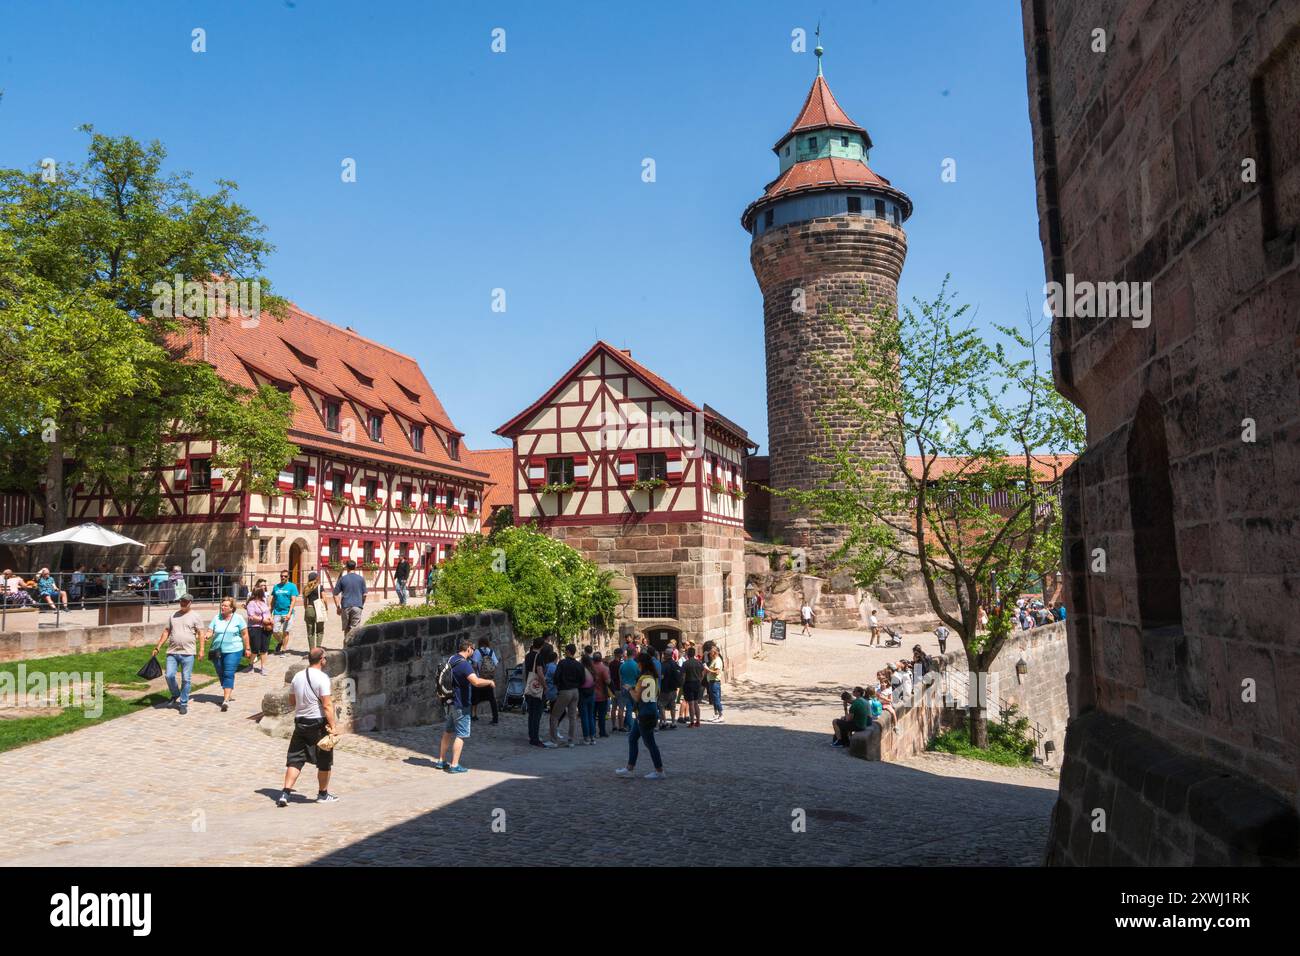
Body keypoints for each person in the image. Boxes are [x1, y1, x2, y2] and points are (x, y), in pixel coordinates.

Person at [277, 647, 341, 805]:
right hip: (318, 722)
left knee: (295, 758)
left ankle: (285, 793)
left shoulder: (298, 676)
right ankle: (323, 794)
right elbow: (327, 705)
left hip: (301, 722)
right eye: (325, 657)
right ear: (321, 660)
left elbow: (292, 701)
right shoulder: (323, 678)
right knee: (324, 759)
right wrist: (333, 727)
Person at [434, 637, 497, 773]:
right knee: (461, 734)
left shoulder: (452, 659)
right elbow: (476, 682)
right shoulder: (464, 665)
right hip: (461, 703)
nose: (473, 652)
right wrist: (489, 682)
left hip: (449, 701)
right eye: (472, 649)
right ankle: (454, 765)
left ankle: (441, 760)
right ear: (468, 648)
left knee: (448, 731)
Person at [151, 594, 206, 715]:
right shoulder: (173, 615)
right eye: (181, 601)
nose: (182, 603)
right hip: (172, 652)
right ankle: (175, 694)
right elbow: (166, 631)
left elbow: (201, 633)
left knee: (186, 679)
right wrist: (158, 646)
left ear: (190, 602)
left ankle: (183, 703)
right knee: (169, 675)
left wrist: (201, 649)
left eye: (185, 602)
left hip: (188, 653)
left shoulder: (195, 616)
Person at [616, 652, 665, 779]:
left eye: (638, 663)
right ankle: (629, 768)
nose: (637, 665)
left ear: (641, 664)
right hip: (649, 712)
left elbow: (637, 697)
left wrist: (629, 689)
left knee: (650, 743)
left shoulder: (643, 678)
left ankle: (659, 770)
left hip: (645, 714)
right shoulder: (653, 677)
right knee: (633, 738)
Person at [208, 597, 250, 713]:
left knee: (228, 672)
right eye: (222, 605)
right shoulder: (216, 618)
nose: (223, 607)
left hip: (234, 649)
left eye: (225, 606)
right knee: (220, 672)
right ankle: (228, 691)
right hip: (217, 650)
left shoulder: (238, 619)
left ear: (232, 608)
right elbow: (210, 630)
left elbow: (245, 634)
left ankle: (225, 700)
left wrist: (247, 648)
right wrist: (207, 635)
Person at [549, 643, 583, 748]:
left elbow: (556, 677)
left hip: (565, 691)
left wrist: (558, 685)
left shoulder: (562, 663)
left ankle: (554, 740)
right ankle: (571, 740)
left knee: (554, 716)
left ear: (568, 651)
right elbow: (582, 679)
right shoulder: (578, 665)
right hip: (575, 691)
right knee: (572, 717)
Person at [469, 636, 500, 724]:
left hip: (479, 678)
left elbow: (474, 665)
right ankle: (495, 718)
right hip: (489, 679)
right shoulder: (491, 651)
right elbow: (496, 664)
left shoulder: (477, 652)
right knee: (492, 699)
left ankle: (474, 715)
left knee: (475, 696)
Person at [333, 560, 367, 638]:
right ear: (355, 567)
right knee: (355, 629)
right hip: (357, 605)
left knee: (346, 629)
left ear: (347, 568)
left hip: (345, 606)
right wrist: (361, 604)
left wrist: (338, 607)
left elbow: (335, 594)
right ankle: (353, 647)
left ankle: (346, 646)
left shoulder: (342, 579)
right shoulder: (361, 579)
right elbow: (365, 595)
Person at [244, 584, 273, 675]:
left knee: (264, 648)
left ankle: (263, 667)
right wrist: (262, 620)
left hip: (266, 627)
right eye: (262, 591)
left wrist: (270, 620)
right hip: (255, 628)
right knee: (255, 648)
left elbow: (268, 613)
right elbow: (251, 617)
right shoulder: (251, 603)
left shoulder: (263, 602)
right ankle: (250, 664)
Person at [270, 569, 300, 655]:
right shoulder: (276, 586)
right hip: (277, 612)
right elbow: (273, 599)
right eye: (282, 576)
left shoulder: (292, 586)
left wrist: (289, 613)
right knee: (275, 631)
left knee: (286, 631)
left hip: (287, 612)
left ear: (288, 577)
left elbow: (293, 600)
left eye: (285, 576)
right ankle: (280, 642)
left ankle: (284, 649)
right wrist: (270, 612)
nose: (283, 577)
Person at [523, 639, 547, 747]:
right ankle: (535, 738)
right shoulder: (539, 657)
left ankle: (531, 735)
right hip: (537, 688)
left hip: (529, 686)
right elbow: (540, 672)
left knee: (531, 713)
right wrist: (545, 686)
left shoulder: (528, 655)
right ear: (541, 646)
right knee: (537, 714)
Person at [302, 571, 331, 652]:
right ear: (316, 578)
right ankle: (318, 648)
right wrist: (326, 609)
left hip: (309, 609)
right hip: (319, 610)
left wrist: (307, 610)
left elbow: (304, 602)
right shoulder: (319, 587)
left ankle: (312, 649)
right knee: (320, 630)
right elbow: (324, 599)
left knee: (310, 631)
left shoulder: (306, 588)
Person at [680, 646, 705, 728]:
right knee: (696, 703)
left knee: (691, 704)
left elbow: (683, 676)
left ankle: (692, 722)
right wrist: (700, 680)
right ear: (694, 654)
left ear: (687, 654)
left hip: (689, 684)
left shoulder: (685, 664)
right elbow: (703, 672)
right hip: (697, 683)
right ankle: (698, 721)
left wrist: (682, 684)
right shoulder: (699, 662)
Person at [618, 647, 641, 732]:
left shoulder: (622, 665)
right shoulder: (636, 665)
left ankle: (630, 726)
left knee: (628, 708)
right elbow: (639, 677)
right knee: (636, 708)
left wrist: (622, 687)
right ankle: (636, 725)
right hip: (634, 688)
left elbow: (620, 678)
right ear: (634, 654)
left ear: (627, 655)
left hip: (624, 688)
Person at [658, 649, 682, 731]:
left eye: (664, 654)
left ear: (666, 655)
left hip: (665, 688)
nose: (663, 655)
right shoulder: (675, 664)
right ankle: (673, 722)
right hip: (674, 689)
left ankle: (664, 721)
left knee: (661, 705)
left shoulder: (664, 665)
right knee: (672, 705)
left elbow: (661, 676)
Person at [577, 650, 597, 744]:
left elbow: (579, 682)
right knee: (591, 715)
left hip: (583, 693)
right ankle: (592, 736)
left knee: (584, 716)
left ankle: (586, 737)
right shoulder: (592, 670)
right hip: (591, 693)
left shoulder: (581, 669)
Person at [592, 650, 612, 738]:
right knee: (601, 715)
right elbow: (608, 681)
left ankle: (592, 732)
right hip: (602, 695)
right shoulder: (604, 668)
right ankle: (602, 732)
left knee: (592, 715)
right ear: (601, 659)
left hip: (591, 695)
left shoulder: (590, 668)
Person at [704, 645, 725, 722]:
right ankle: (716, 714)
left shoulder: (717, 661)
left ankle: (721, 715)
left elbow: (717, 672)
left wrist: (707, 669)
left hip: (715, 682)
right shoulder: (714, 660)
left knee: (716, 699)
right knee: (714, 699)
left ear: (715, 653)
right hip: (712, 682)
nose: (710, 653)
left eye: (711, 652)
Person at [607, 648, 626, 732]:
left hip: (612, 688)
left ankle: (614, 725)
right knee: (621, 708)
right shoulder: (620, 665)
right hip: (619, 687)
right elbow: (621, 677)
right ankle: (621, 726)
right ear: (620, 654)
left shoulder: (610, 664)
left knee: (614, 707)